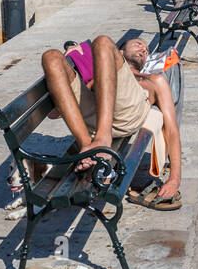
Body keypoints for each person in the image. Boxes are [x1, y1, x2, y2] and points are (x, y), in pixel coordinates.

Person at [40, 35, 183, 208]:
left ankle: (103, 139)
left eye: (145, 50)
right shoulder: (96, 78)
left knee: (102, 41)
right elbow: (54, 114)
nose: (143, 50)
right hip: (94, 116)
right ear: (120, 52)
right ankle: (87, 146)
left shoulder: (154, 80)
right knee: (51, 57)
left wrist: (174, 179)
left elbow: (172, 129)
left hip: (127, 115)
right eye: (138, 44)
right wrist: (69, 61)